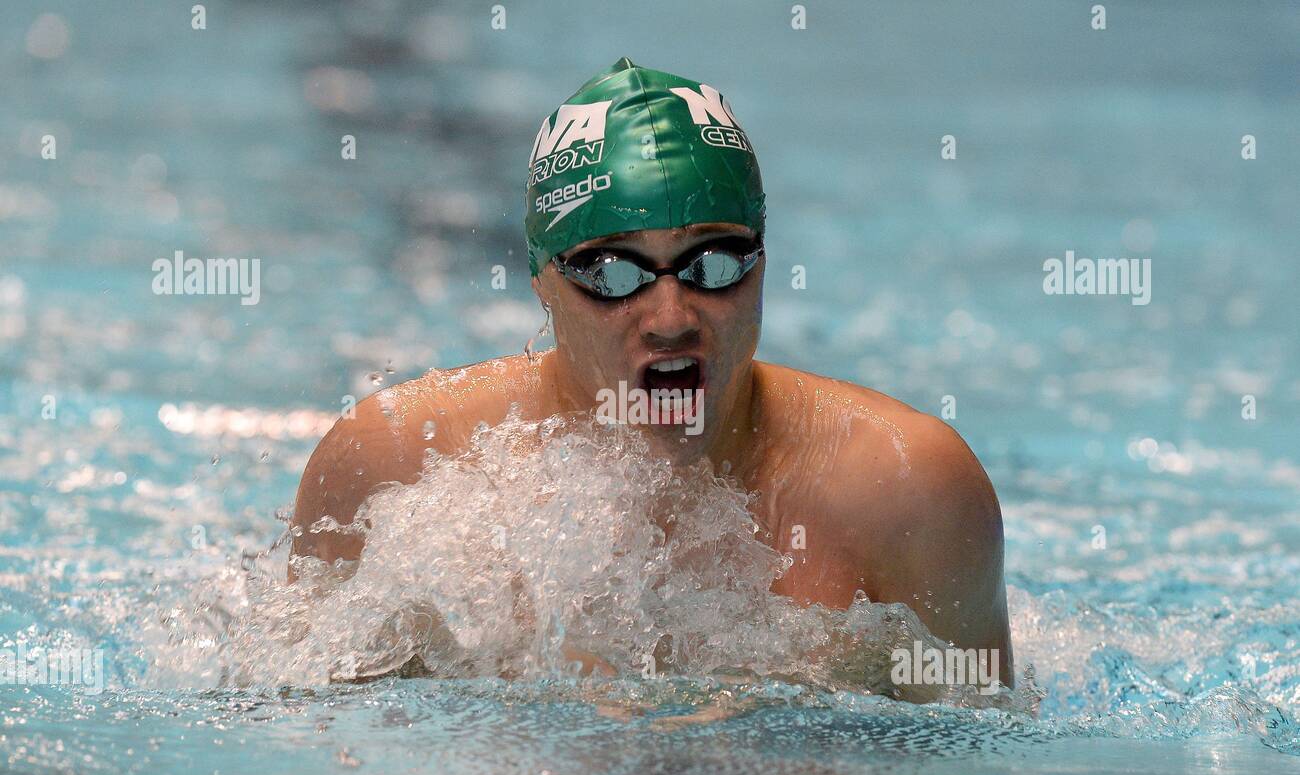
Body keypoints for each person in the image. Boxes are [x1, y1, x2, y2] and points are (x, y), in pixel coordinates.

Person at [290, 58, 1013, 685]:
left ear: (763, 263)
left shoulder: (907, 490)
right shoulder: (394, 463)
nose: (671, 316)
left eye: (715, 261)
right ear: (542, 281)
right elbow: (305, 740)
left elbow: (978, 767)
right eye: (612, 270)